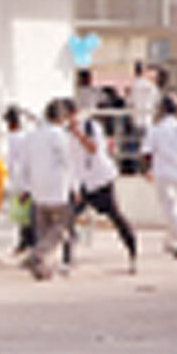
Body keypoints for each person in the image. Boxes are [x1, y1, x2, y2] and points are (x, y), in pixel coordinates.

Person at [62, 99, 138, 274]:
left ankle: (132, 252)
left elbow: (94, 149)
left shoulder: (91, 127)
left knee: (115, 216)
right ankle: (66, 260)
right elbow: (71, 161)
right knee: (68, 219)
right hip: (82, 183)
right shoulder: (65, 133)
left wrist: (79, 135)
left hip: (101, 179)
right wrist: (73, 186)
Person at [16, 100, 76, 281]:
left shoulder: (31, 136)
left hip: (37, 190)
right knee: (62, 229)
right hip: (57, 189)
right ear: (60, 117)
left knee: (43, 231)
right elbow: (68, 163)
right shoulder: (59, 136)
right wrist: (74, 187)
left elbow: (24, 164)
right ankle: (37, 254)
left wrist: (24, 188)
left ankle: (43, 270)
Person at [141, 95, 177, 260]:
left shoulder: (156, 130)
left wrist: (146, 170)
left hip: (164, 173)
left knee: (171, 209)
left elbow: (146, 153)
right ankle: (171, 240)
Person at [3, 106, 35, 254]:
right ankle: (25, 241)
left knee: (24, 214)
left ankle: (26, 242)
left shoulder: (13, 138)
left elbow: (12, 161)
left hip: (20, 179)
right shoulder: (26, 136)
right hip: (25, 178)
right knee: (24, 214)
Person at [129, 62, 158, 136]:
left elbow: (130, 102)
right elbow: (156, 101)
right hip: (148, 118)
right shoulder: (150, 86)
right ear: (143, 71)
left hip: (137, 120)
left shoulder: (133, 86)